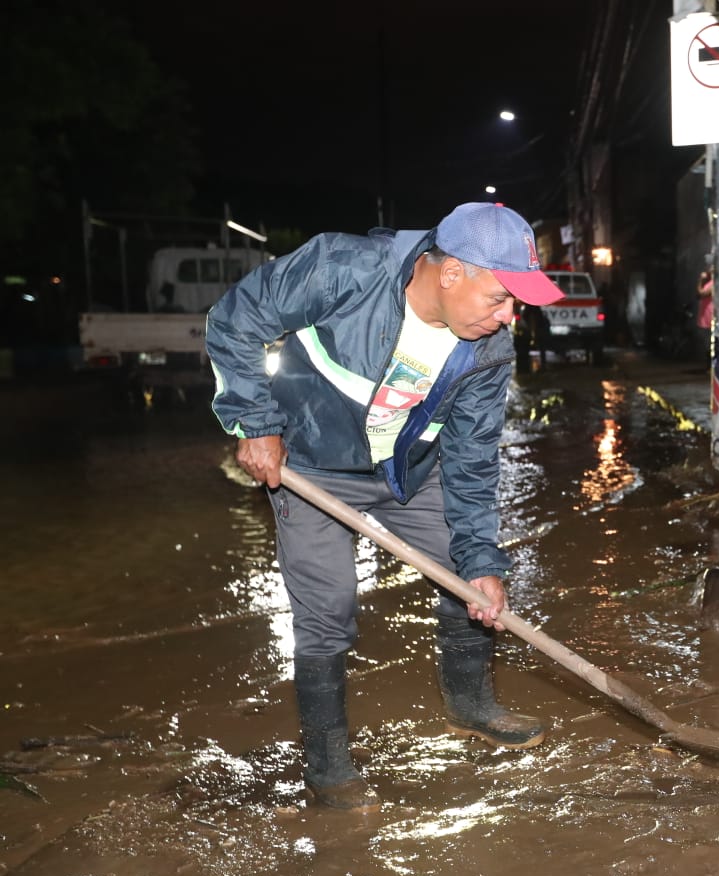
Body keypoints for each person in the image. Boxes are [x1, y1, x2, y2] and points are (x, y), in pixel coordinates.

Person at [205, 202, 564, 809]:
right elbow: (234, 320)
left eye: (516, 305)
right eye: (501, 298)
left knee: (467, 574)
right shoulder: (341, 267)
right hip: (311, 468)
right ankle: (327, 763)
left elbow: (472, 460)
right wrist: (255, 421)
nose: (509, 317)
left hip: (409, 470)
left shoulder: (489, 348)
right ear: (451, 273)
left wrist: (480, 558)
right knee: (327, 605)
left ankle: (469, 703)